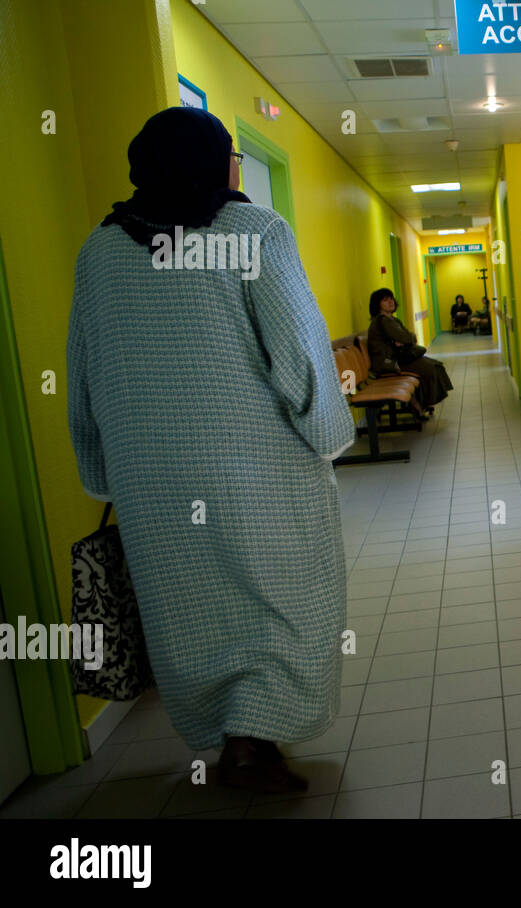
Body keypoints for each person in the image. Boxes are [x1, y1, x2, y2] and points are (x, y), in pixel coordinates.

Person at [66, 106, 356, 793]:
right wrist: (327, 432)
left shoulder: (99, 250)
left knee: (190, 606)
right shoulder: (254, 231)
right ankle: (254, 737)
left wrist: (100, 471)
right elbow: (301, 352)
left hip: (151, 482)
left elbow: (84, 369)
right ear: (219, 164)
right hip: (255, 468)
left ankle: (234, 737)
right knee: (280, 595)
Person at [368, 287, 452, 418]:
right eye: (385, 300)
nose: (390, 302)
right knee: (428, 368)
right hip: (388, 363)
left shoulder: (393, 320)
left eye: (391, 298)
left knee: (434, 364)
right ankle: (419, 404)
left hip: (397, 359)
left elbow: (410, 337)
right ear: (377, 304)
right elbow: (407, 337)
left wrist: (407, 339)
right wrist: (406, 339)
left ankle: (422, 402)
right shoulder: (382, 321)